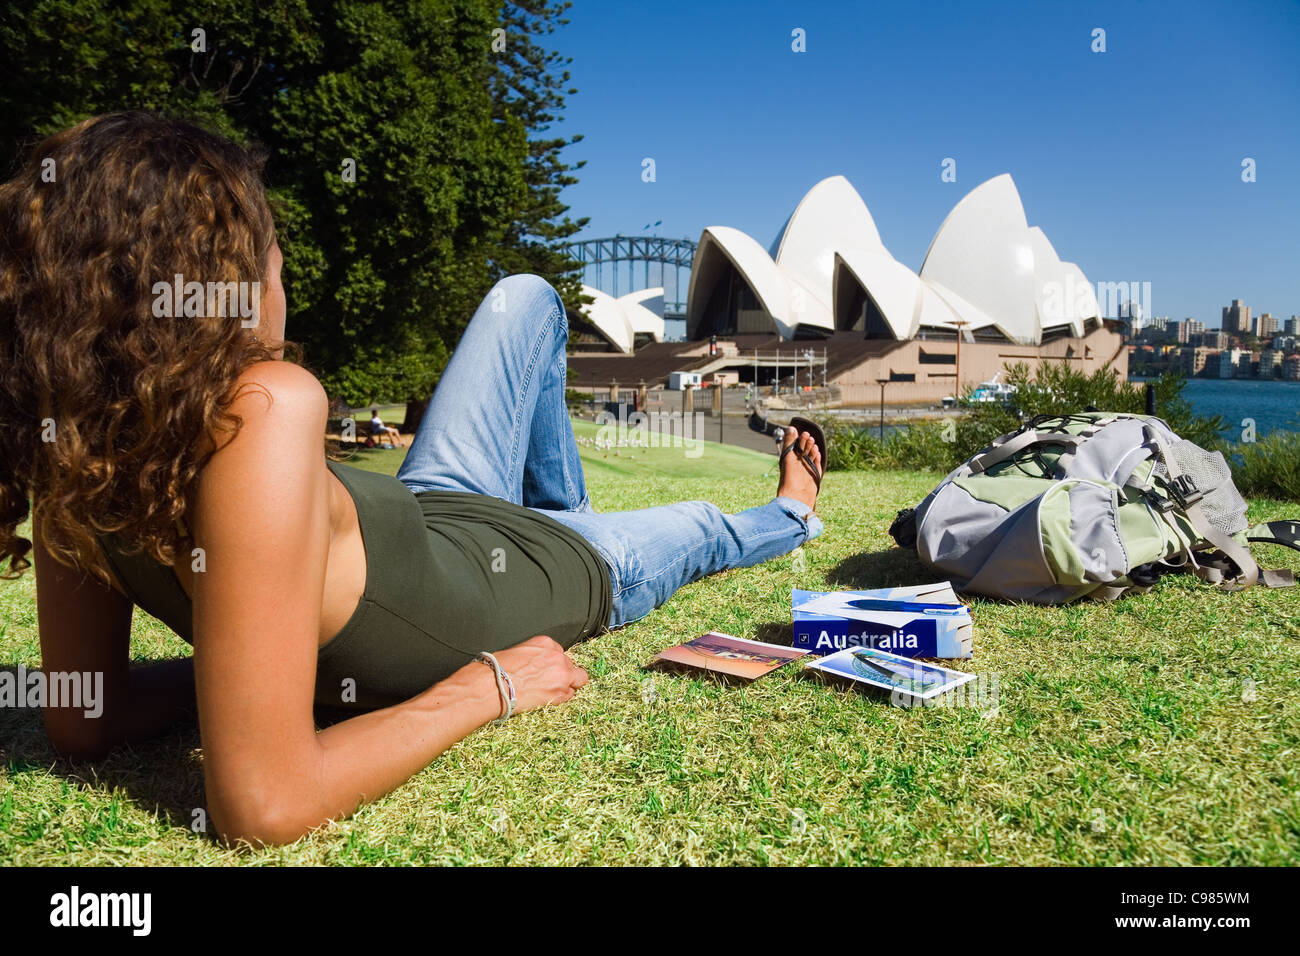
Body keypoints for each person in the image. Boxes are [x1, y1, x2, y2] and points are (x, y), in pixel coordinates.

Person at [0, 111, 825, 847]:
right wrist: (483, 687)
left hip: (438, 507)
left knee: (527, 297)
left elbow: (85, 716)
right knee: (706, 528)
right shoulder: (265, 405)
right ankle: (791, 510)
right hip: (559, 563)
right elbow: (263, 805)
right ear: (224, 289)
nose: (287, 289)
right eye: (275, 263)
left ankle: (565, 498)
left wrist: (249, 680)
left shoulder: (76, 448)